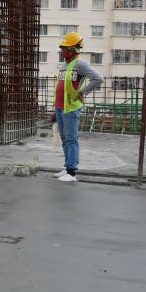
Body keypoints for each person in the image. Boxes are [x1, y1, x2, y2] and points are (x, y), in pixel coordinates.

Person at [53, 32, 102, 182]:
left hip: (71, 108)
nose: (62, 51)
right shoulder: (64, 66)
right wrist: (55, 109)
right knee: (64, 138)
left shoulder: (80, 64)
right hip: (61, 107)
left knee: (71, 138)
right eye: (62, 48)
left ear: (74, 49)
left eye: (65, 49)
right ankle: (68, 167)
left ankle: (72, 171)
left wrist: (83, 92)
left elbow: (98, 79)